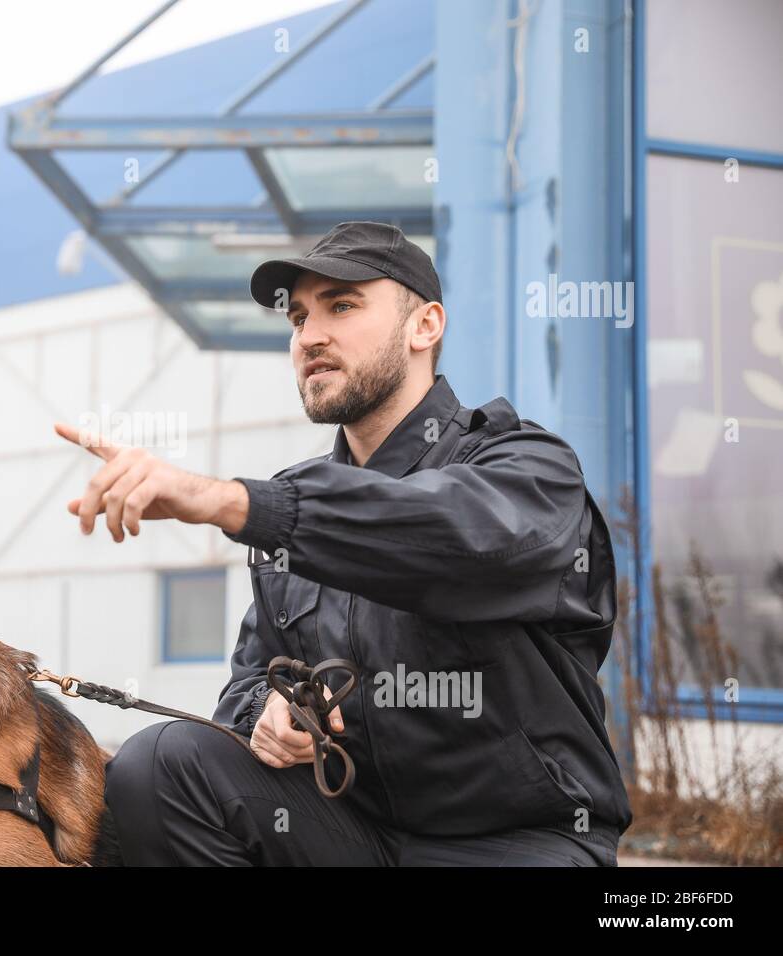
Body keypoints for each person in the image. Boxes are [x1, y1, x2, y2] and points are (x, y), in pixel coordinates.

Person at [56, 221, 631, 866]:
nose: (311, 335)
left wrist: (229, 502)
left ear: (425, 326)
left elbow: (448, 533)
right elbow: (246, 682)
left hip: (518, 844)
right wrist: (270, 713)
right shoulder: (291, 510)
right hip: (351, 835)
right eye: (299, 317)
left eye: (343, 305)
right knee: (161, 765)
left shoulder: (529, 467)